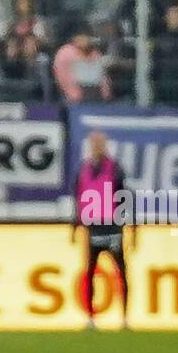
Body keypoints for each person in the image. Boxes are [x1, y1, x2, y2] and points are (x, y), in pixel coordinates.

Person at [70, 130, 134, 330]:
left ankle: (124, 318)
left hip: (112, 227)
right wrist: (75, 226)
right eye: (94, 143)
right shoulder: (84, 169)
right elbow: (78, 198)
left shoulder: (114, 169)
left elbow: (124, 197)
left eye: (100, 143)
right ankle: (90, 318)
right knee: (90, 273)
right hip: (93, 228)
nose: (97, 147)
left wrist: (130, 227)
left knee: (121, 273)